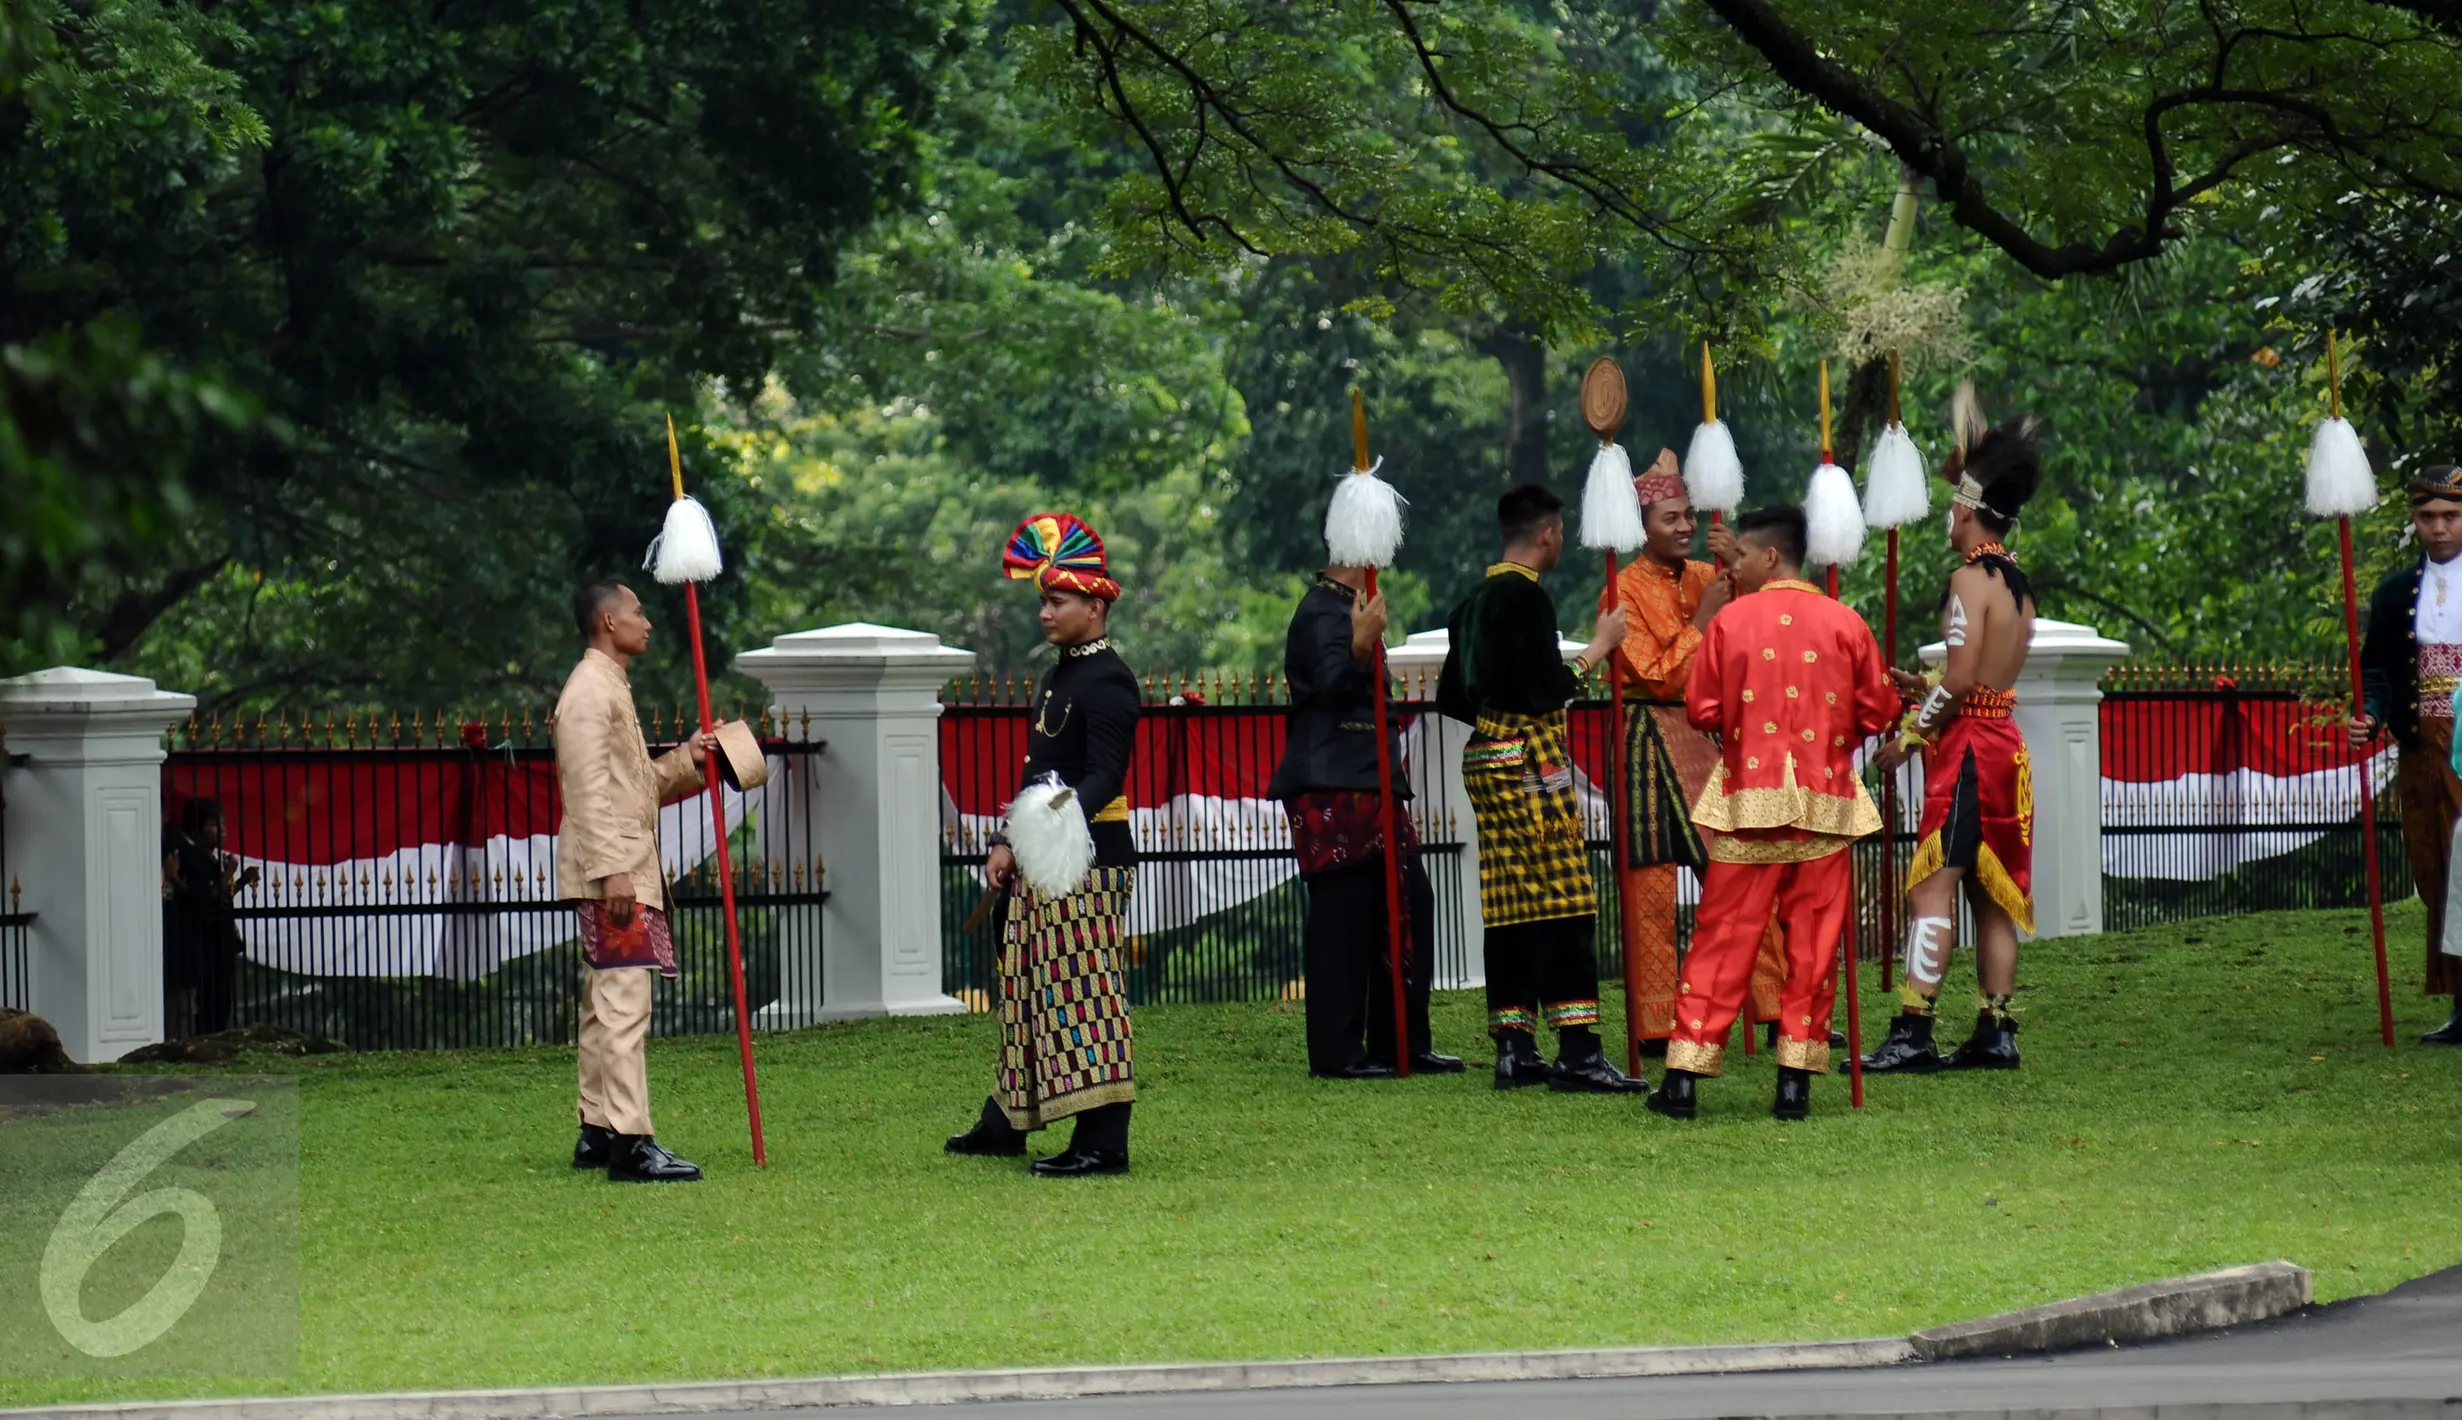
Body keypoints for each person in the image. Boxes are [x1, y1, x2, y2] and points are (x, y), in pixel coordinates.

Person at [1645, 504, 1897, 1121]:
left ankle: (1683, 1079)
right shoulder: (1845, 622)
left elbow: (1701, 709)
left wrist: (1745, 725)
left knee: (1722, 938)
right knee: (1813, 946)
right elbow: (1879, 706)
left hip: (1746, 803)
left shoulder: (1730, 623)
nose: (1731, 566)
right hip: (1824, 804)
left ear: (1771, 557)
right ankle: (1794, 1084)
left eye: (1740, 556)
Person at [945, 512, 1143, 1175]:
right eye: (1043, 602)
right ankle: (1005, 1122)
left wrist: (1045, 828)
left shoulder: (1110, 678)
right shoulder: (1060, 675)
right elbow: (1039, 776)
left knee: (1084, 995)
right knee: (1029, 988)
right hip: (1045, 853)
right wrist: (1009, 839)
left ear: (1095, 603)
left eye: (1056, 602)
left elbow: (1104, 777)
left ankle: (1103, 1143)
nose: (1045, 614)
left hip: (1089, 858)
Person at [1437, 483, 1646, 1094]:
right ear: (1548, 534)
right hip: (1530, 763)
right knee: (1566, 898)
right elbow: (1544, 689)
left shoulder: (1473, 601)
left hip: (1485, 757)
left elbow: (1454, 695)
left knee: (1508, 901)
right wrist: (1599, 649)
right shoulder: (1524, 599)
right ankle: (1579, 1049)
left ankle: (1515, 1046)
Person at [1864, 394, 2043, 1073]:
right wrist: (1932, 692)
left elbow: (1963, 677)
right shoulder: (2019, 584)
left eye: (1951, 508)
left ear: (1966, 510)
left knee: (1930, 889)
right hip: (2006, 749)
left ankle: (1913, 1027)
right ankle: (1995, 1029)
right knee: (1993, 894)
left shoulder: (1970, 579)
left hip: (1970, 752)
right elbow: (1984, 679)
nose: (1948, 518)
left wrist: (1913, 730)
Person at [1599, 449, 1791, 1057]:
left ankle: (1776, 1007)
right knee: (1650, 887)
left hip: (1706, 738)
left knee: (1744, 869)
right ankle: (1656, 1025)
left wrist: (1738, 560)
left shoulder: (1710, 575)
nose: (1683, 527)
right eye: (1669, 519)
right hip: (1646, 742)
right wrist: (1703, 621)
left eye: (1687, 517)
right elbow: (1656, 677)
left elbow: (1765, 616)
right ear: (1642, 528)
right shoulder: (1623, 589)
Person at [1268, 557, 1465, 1079]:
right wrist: (1359, 644)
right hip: (1335, 784)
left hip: (1375, 781)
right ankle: (1337, 1051)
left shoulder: (1350, 606)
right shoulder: (1318, 612)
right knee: (1344, 918)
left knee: (1408, 906)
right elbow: (1330, 688)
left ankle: (1402, 1040)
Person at [554, 579, 721, 1184]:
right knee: (624, 1001)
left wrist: (686, 760)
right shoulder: (589, 692)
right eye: (637, 611)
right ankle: (632, 1141)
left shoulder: (606, 686)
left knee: (605, 1004)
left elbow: (630, 786)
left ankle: (598, 1130)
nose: (646, 622)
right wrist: (613, 871)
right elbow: (587, 793)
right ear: (607, 620)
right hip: (616, 870)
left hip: (618, 863)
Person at [2354, 463, 2462, 1044]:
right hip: (2423, 749)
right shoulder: (2396, 594)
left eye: (2450, 515)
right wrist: (2369, 714)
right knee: (2439, 873)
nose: (2439, 528)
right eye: (2427, 517)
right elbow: (2377, 671)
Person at [161, 798, 256, 1038]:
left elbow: (222, 897)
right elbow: (206, 900)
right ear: (196, 829)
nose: (222, 830)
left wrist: (241, 879)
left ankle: (215, 1040)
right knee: (207, 1004)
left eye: (223, 824)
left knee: (221, 1001)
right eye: (214, 824)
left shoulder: (211, 858)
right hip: (206, 942)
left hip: (221, 941)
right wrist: (230, 873)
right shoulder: (190, 856)